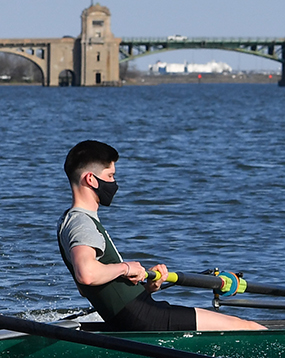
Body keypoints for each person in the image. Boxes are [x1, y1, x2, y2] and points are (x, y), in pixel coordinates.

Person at [58, 140, 264, 332]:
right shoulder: (81, 222)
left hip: (137, 313)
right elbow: (87, 274)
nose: (115, 183)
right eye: (111, 176)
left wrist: (148, 286)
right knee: (247, 327)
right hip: (143, 317)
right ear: (91, 179)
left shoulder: (69, 220)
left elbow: (88, 288)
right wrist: (126, 267)